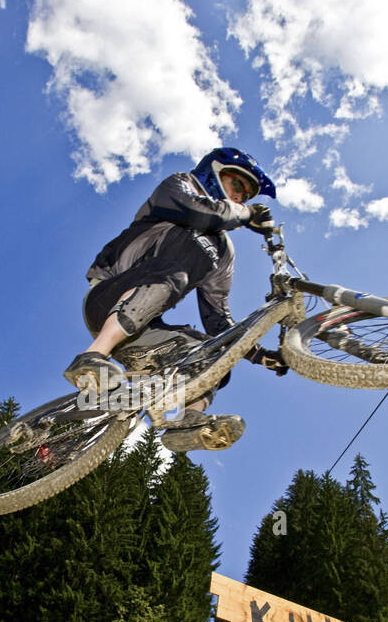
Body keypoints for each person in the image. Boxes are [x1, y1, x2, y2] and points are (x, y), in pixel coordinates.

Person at [62, 147, 287, 452]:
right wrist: (245, 214)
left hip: (147, 331)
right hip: (109, 297)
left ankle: (187, 422)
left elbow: (217, 316)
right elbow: (198, 213)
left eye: (246, 196)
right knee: (173, 273)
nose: (239, 198)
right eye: (237, 186)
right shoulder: (180, 186)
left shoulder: (223, 250)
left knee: (217, 352)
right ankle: (92, 357)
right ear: (215, 172)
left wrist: (257, 353)